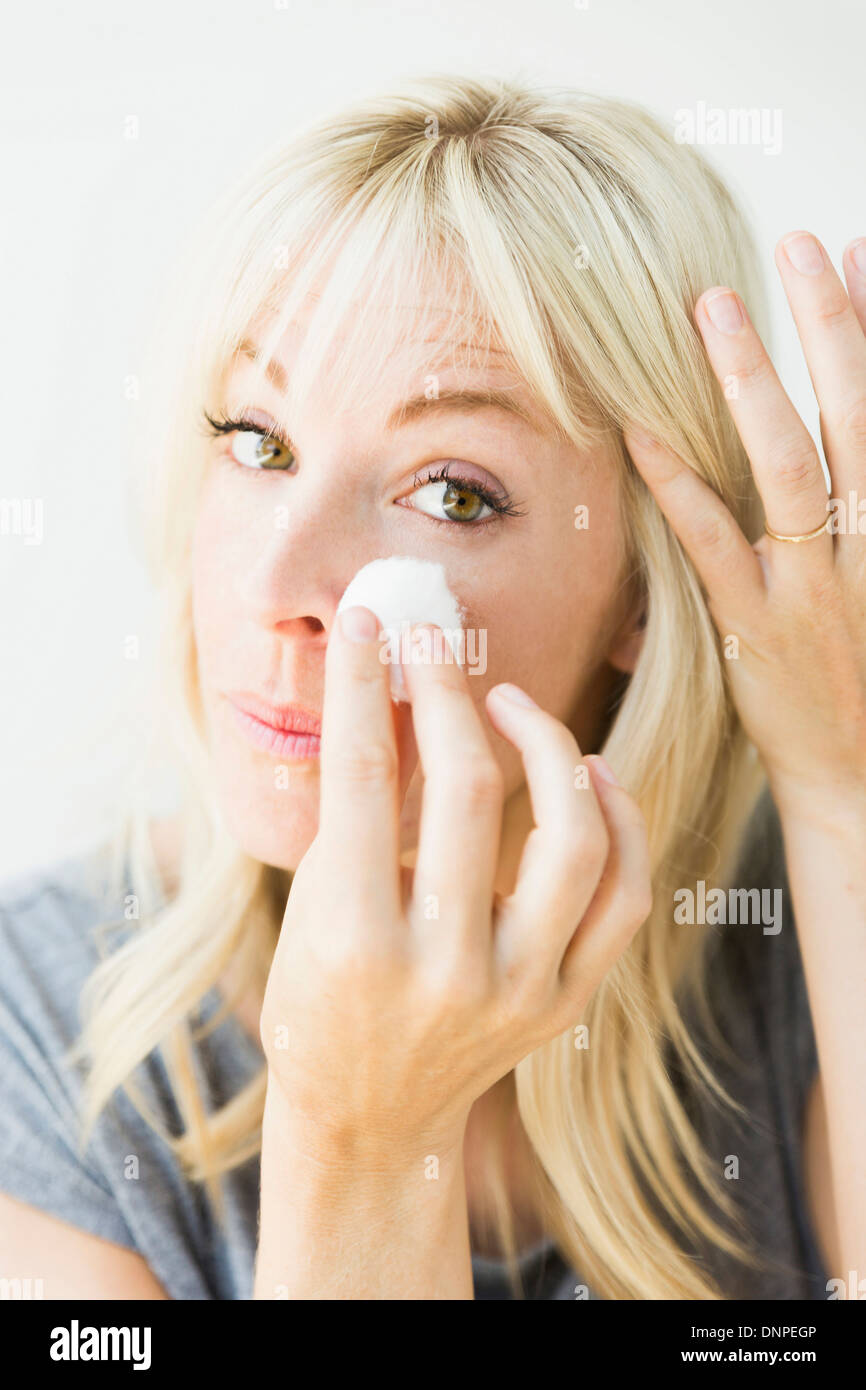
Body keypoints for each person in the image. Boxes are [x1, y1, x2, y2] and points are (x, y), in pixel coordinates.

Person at [1, 74, 864, 1300]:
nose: (276, 578)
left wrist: (840, 787)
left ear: (641, 598)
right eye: (258, 440)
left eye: (450, 491)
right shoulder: (33, 1035)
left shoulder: (788, 946)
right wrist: (364, 1141)